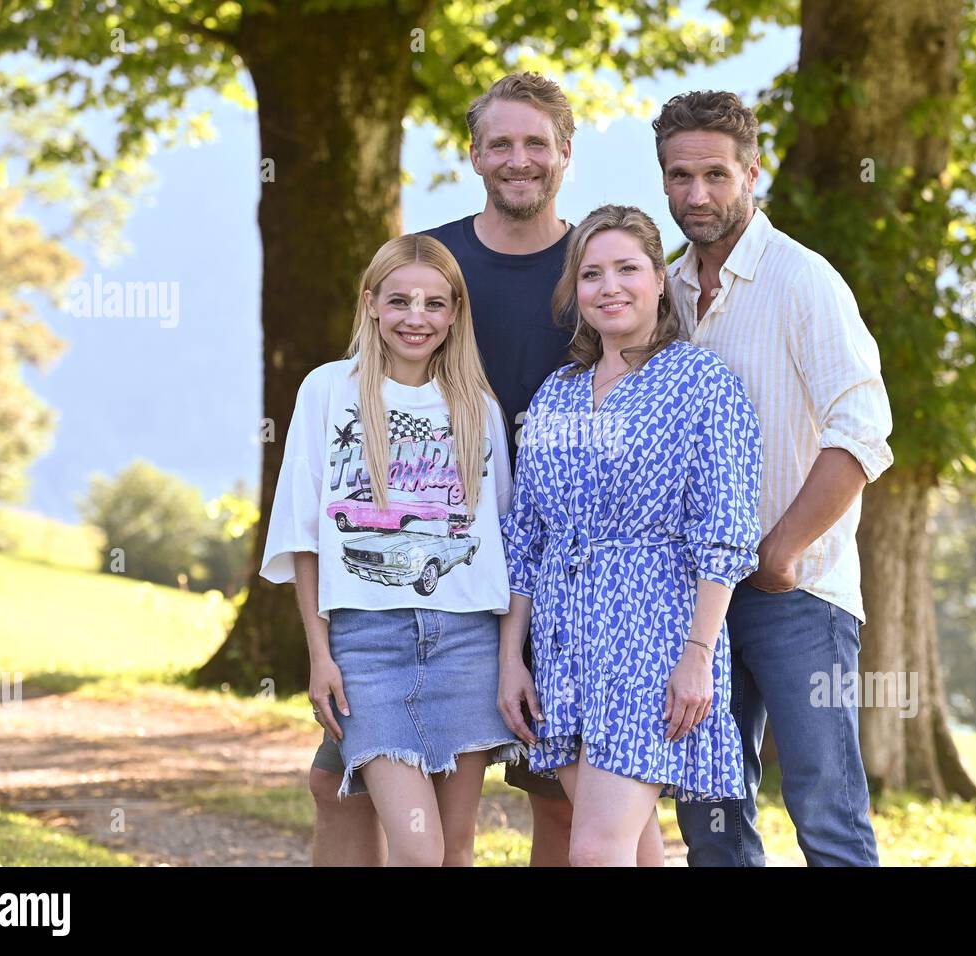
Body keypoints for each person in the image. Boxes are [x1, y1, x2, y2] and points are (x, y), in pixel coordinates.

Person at [305, 72, 664, 866]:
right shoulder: (435, 264)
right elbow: (364, 403)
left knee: (567, 799)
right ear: (474, 155)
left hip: (553, 571)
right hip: (412, 587)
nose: (519, 159)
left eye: (537, 143)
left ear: (565, 153)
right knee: (339, 785)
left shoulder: (595, 270)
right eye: (500, 143)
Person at [655, 90, 895, 867]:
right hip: (697, 599)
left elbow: (862, 430)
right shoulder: (663, 290)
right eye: (680, 176)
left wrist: (782, 550)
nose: (698, 195)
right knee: (711, 816)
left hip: (799, 596)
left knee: (825, 811)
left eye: (716, 175)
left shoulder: (803, 282)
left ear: (752, 172)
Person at [498, 204, 764, 866]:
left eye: (627, 268)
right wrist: (511, 660)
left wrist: (698, 654)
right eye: (591, 274)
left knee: (593, 850)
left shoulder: (702, 384)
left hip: (653, 641)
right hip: (562, 650)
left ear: (658, 279)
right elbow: (526, 537)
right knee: (631, 850)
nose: (609, 286)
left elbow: (725, 533)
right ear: (574, 290)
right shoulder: (556, 394)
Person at [259, 233, 523, 866]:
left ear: (454, 312)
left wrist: (512, 658)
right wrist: (319, 653)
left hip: (467, 646)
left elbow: (508, 547)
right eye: (400, 300)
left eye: (434, 303)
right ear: (371, 304)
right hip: (367, 649)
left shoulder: (478, 410)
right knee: (418, 846)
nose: (416, 318)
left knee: (456, 847)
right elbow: (304, 535)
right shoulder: (327, 391)